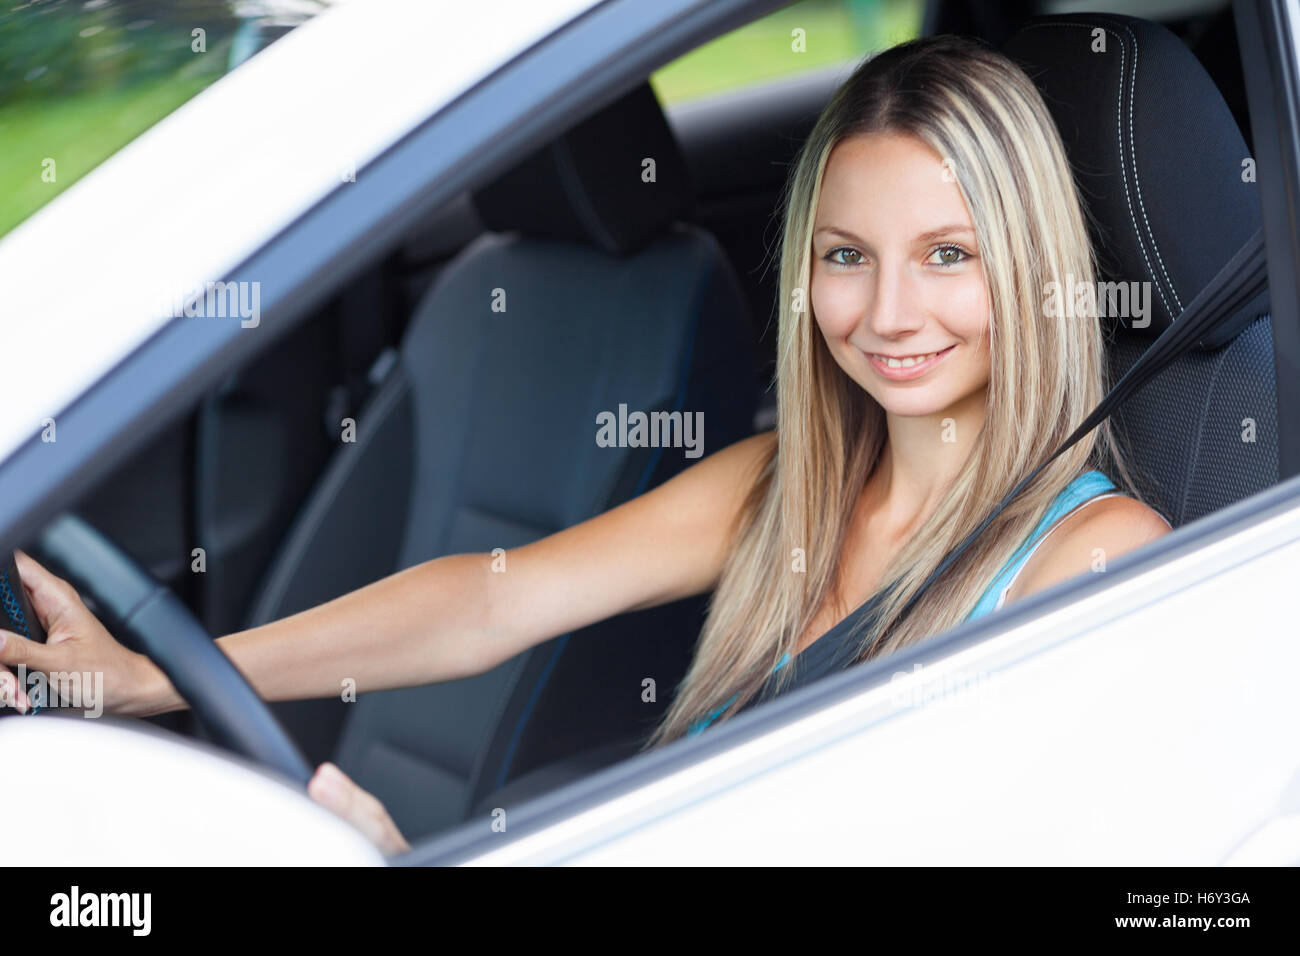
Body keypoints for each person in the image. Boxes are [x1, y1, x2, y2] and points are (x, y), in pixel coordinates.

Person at [0, 36, 1171, 855]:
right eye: (845, 255)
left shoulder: (1100, 558)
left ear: (1031, 269)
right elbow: (487, 604)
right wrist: (154, 677)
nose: (886, 313)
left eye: (949, 255)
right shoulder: (785, 486)